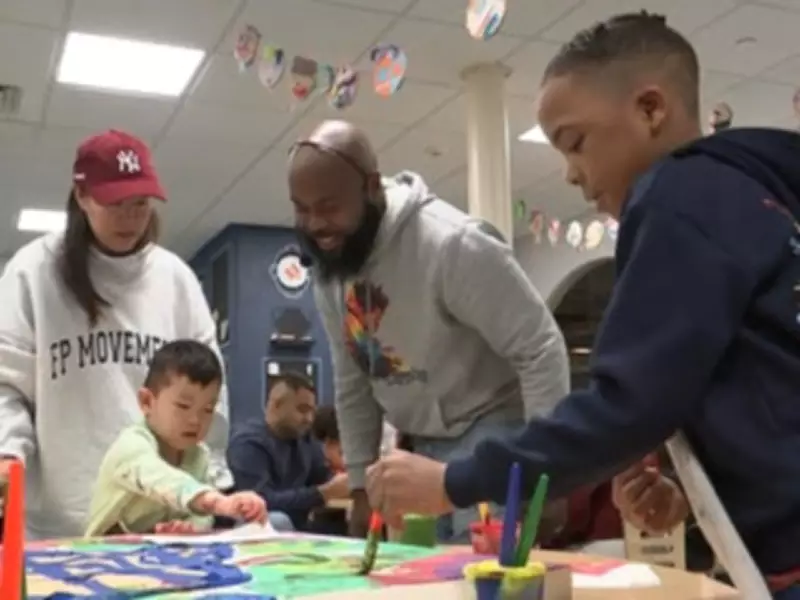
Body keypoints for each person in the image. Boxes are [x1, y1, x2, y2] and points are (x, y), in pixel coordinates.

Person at [365, 11, 800, 597]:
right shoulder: (755, 197)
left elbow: (625, 407)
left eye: (575, 143)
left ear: (650, 109)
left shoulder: (679, 197)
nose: (571, 174)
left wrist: (456, 480)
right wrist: (694, 494)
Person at [288, 120, 569, 542]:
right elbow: (353, 381)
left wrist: (548, 473)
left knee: (480, 574)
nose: (314, 224)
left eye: (328, 207)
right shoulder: (332, 272)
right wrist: (362, 485)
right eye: (301, 208)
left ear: (370, 187)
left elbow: (540, 347)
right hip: (420, 440)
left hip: (492, 423)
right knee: (428, 575)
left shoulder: (451, 245)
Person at [0, 129, 231, 539]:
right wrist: (7, 452)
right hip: (57, 523)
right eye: (114, 203)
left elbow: (212, 394)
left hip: (155, 524)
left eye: (140, 203)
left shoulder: (175, 279)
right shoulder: (32, 271)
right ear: (82, 197)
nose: (130, 217)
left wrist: (210, 480)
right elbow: (6, 384)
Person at [85, 340, 265, 537]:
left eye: (207, 409)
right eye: (183, 406)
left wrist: (190, 527)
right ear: (147, 402)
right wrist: (217, 502)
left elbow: (202, 516)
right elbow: (161, 479)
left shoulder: (199, 456)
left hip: (155, 552)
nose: (195, 420)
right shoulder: (132, 445)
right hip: (103, 551)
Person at [227, 372, 350, 532]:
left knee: (338, 522)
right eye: (302, 410)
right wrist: (322, 493)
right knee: (277, 520)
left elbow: (322, 477)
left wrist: (344, 483)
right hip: (253, 526)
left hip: (298, 525)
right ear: (276, 405)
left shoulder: (304, 439)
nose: (309, 418)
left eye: (312, 411)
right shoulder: (248, 444)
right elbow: (262, 501)